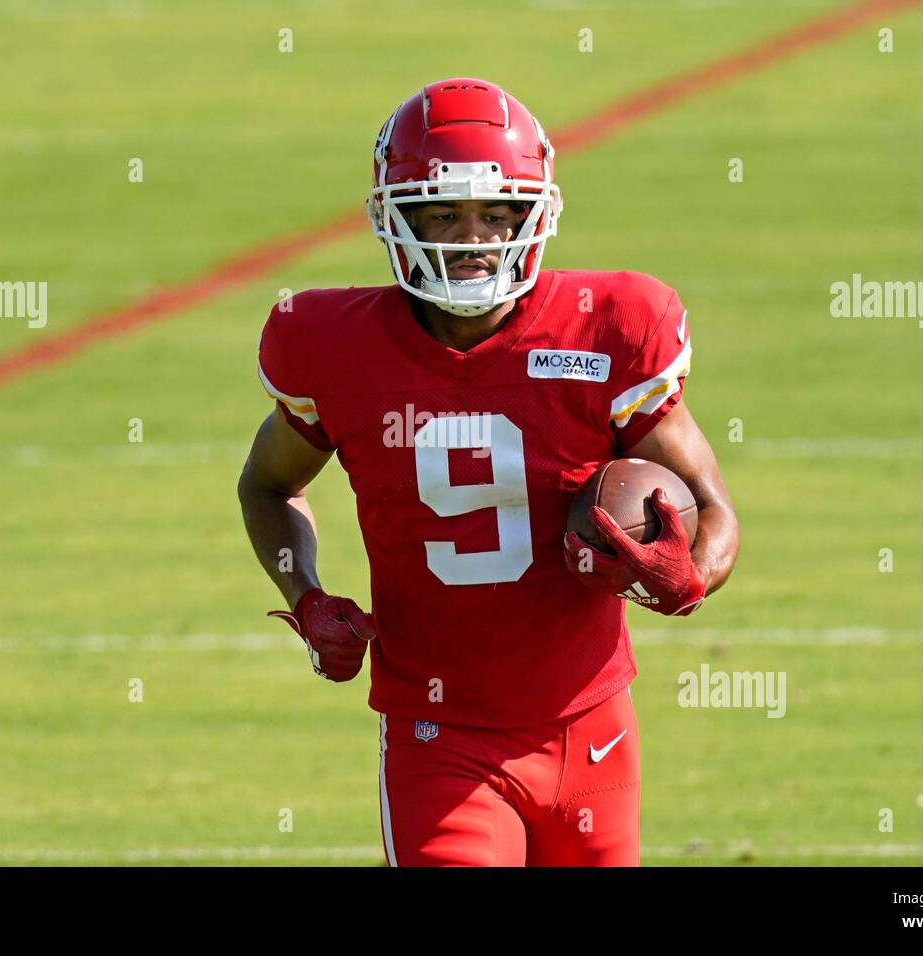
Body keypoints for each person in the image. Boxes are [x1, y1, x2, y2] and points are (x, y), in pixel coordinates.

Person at [237, 77, 739, 866]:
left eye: (497, 212)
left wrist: (688, 573)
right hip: (440, 737)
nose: (472, 237)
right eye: (443, 213)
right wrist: (304, 593)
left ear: (533, 214)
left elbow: (714, 508)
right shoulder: (332, 346)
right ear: (392, 216)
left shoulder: (610, 330)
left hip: (591, 724)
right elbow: (269, 483)